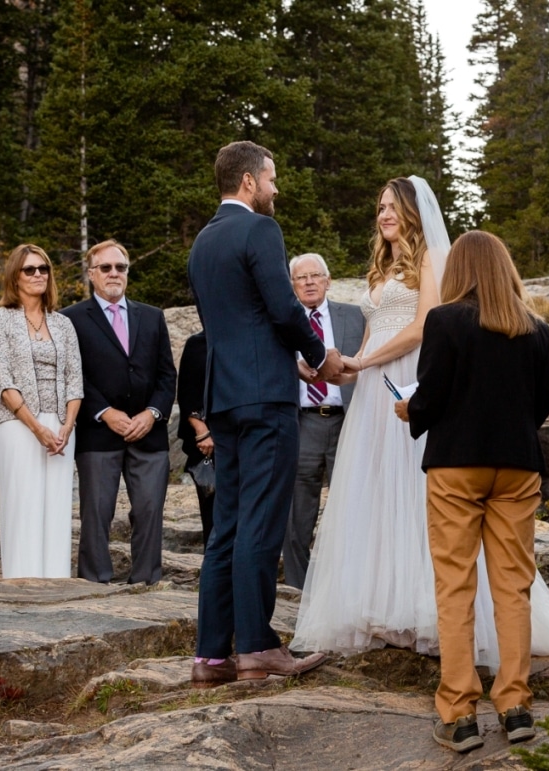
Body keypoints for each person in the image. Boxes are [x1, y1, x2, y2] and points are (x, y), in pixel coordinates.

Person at [290, 179, 549, 672]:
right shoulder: (382, 266)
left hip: (409, 375)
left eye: (390, 206)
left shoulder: (431, 259)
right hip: (373, 383)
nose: (382, 214)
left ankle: (422, 607)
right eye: (379, 206)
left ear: (411, 211)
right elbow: (373, 328)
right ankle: (379, 605)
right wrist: (343, 364)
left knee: (414, 488)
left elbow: (425, 323)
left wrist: (366, 364)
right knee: (375, 490)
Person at [397, 230, 549, 752]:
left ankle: (459, 714)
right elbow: (540, 404)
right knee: (513, 587)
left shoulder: (444, 320)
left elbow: (430, 395)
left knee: (455, 586)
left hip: (456, 465)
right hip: (517, 467)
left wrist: (412, 410)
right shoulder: (535, 328)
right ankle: (516, 706)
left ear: (460, 270)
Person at [187, 140, 343, 686]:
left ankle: (210, 656)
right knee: (262, 520)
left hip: (224, 398)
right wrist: (320, 357)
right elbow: (281, 309)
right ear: (249, 182)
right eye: (272, 179)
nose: (276, 189)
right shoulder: (260, 230)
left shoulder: (203, 241)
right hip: (265, 400)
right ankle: (255, 645)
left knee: (226, 524)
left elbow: (232, 322)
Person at [61, 239, 177, 585]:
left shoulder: (152, 316)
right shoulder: (71, 319)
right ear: (91, 274)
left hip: (149, 433)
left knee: (149, 510)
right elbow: (74, 374)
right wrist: (104, 412)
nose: (114, 273)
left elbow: (166, 374)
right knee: (96, 513)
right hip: (98, 434)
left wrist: (153, 413)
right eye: (106, 268)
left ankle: (145, 581)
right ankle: (94, 582)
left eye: (121, 267)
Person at [0, 244, 83, 579]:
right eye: (30, 270)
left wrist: (67, 426)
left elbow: (74, 379)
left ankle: (56, 580)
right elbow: (3, 381)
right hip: (17, 423)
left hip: (60, 423)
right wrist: (36, 428)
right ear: (15, 275)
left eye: (43, 269)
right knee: (22, 502)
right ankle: (21, 581)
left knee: (56, 503)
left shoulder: (64, 323)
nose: (38, 274)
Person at [282, 252, 366, 590]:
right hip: (301, 424)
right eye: (301, 278)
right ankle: (298, 590)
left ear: (328, 281)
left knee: (352, 508)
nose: (309, 282)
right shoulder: (283, 322)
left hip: (348, 422)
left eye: (315, 276)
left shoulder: (355, 316)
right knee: (297, 515)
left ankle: (348, 588)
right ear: (292, 286)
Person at [176, 331, 214, 542]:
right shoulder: (197, 343)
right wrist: (201, 431)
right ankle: (214, 572)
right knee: (213, 517)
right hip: (208, 445)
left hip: (245, 439)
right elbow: (186, 393)